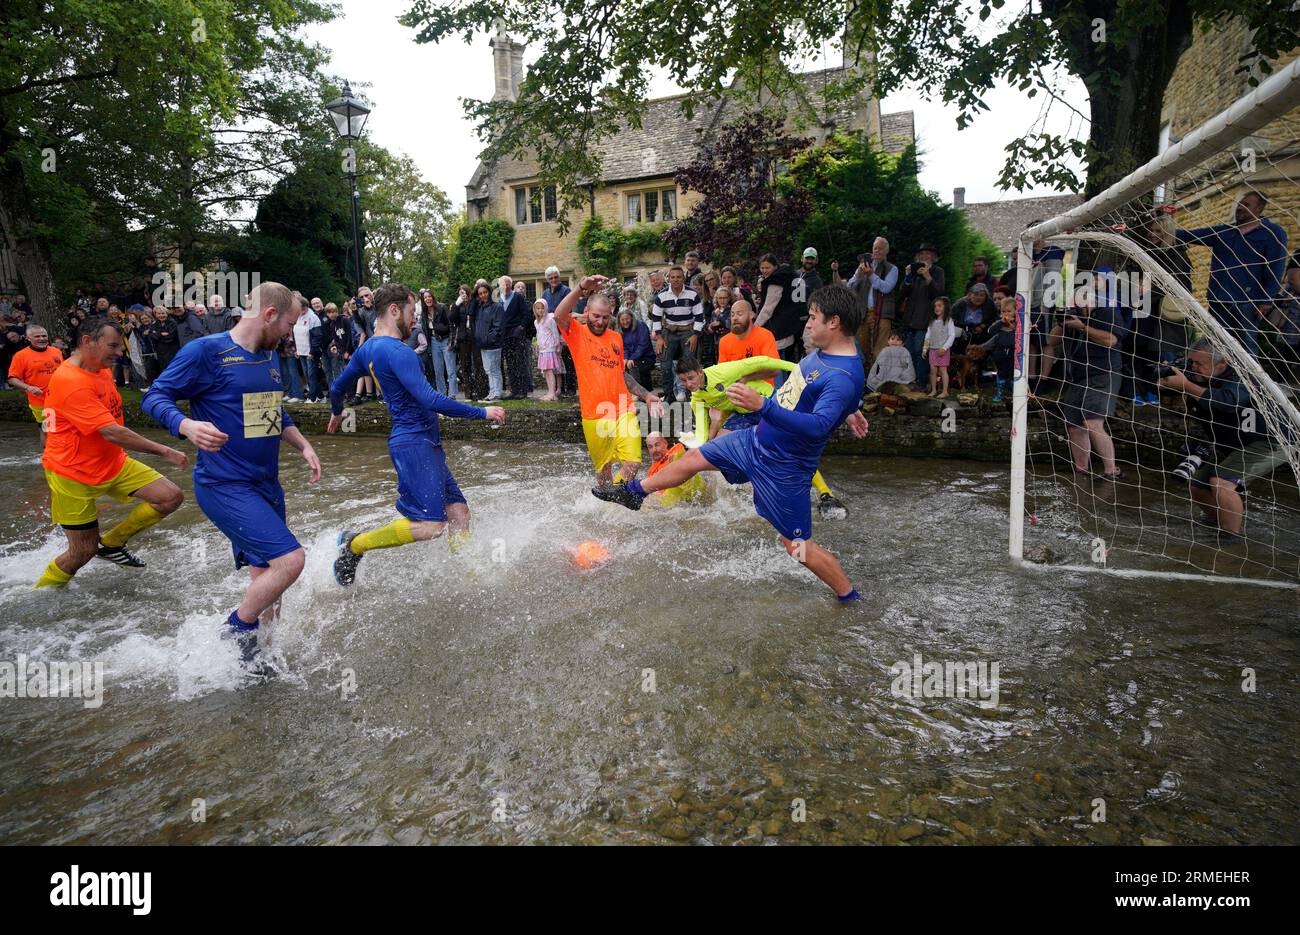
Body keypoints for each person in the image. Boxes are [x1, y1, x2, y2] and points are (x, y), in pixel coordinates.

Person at [594, 285, 868, 600]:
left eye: (814, 317)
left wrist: (763, 406)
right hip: (755, 440)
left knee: (797, 547)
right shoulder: (832, 353)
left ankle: (849, 597)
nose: (807, 323)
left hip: (784, 466)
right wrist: (848, 409)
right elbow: (818, 392)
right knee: (694, 458)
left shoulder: (843, 376)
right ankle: (633, 494)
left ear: (834, 322)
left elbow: (819, 426)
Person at [142, 282, 322, 668]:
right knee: (290, 561)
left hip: (266, 484)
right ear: (269, 314)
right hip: (224, 484)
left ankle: (263, 657)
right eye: (289, 324)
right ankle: (235, 631)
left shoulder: (268, 356)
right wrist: (185, 425)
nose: (291, 333)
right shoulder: (206, 351)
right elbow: (154, 396)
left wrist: (302, 444)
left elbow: (273, 412)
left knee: (269, 575)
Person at [326, 283, 506, 586]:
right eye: (412, 312)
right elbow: (431, 400)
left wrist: (335, 411)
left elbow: (336, 388)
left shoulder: (367, 348)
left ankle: (468, 575)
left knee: (459, 511)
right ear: (394, 310)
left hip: (423, 443)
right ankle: (355, 544)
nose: (416, 320)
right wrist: (482, 412)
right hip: (414, 443)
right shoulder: (401, 352)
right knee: (432, 526)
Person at [35, 317, 187, 589]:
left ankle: (113, 543)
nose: (120, 353)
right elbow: (113, 431)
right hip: (72, 475)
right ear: (87, 342)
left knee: (170, 497)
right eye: (113, 346)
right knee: (82, 552)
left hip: (111, 462)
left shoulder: (100, 368)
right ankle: (42, 595)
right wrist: (165, 450)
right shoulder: (71, 381)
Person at [675, 352, 849, 517]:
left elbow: (763, 361)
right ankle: (736, 502)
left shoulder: (723, 371)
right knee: (718, 449)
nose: (688, 384)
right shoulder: (697, 398)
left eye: (690, 378)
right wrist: (696, 439)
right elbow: (703, 436)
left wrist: (799, 371)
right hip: (743, 413)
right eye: (683, 381)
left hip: (768, 401)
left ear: (699, 372)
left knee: (790, 448)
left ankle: (825, 493)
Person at [1161, 339, 1290, 543]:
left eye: (1199, 364)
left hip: (1271, 441)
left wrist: (1186, 385)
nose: (1193, 367)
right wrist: (1165, 378)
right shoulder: (1196, 373)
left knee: (1221, 482)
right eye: (1191, 362)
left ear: (1223, 364)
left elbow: (1227, 402)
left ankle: (1231, 539)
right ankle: (1224, 521)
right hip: (1235, 441)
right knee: (1198, 484)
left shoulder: (1245, 377)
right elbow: (1170, 387)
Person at [556, 276, 663, 484]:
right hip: (594, 414)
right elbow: (559, 315)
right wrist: (580, 288)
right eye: (596, 316)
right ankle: (609, 504)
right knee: (604, 471)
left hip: (623, 408)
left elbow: (620, 374)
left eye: (605, 317)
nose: (600, 322)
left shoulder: (616, 338)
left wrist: (647, 395)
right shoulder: (577, 332)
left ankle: (616, 498)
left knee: (632, 463)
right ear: (586, 312)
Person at [1177, 190, 1288, 357]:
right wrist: (1162, 228)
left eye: (1246, 204)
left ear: (1259, 208)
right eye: (1239, 204)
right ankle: (1219, 381)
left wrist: (1267, 299)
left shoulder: (1272, 232)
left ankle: (1250, 382)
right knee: (1215, 346)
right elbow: (1188, 235)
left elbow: (1276, 267)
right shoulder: (1224, 232)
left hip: (1247, 303)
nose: (1240, 208)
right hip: (1218, 301)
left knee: (1246, 347)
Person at [1046, 282, 1127, 479]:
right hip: (1076, 376)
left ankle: (1111, 471)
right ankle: (1081, 470)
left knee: (1092, 422)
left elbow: (1111, 340)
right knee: (1073, 424)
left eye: (1081, 298)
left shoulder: (1107, 313)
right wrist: (1061, 322)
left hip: (1103, 373)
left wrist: (1082, 327)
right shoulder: (1074, 316)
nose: (1077, 303)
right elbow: (1051, 341)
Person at [651, 265, 704, 403]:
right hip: (669, 332)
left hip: (688, 331)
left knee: (688, 364)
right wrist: (659, 337)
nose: (676, 280)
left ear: (683, 278)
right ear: (669, 279)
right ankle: (669, 395)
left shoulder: (693, 294)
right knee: (665, 364)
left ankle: (690, 395)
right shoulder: (661, 296)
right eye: (673, 277)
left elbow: (699, 316)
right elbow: (656, 317)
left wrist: (695, 335)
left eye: (679, 277)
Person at [841, 238, 899, 363]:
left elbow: (886, 288)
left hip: (882, 314)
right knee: (861, 348)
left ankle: (876, 380)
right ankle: (864, 378)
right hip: (863, 313)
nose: (877, 251)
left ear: (886, 251)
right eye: (875, 248)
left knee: (879, 349)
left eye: (881, 248)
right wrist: (858, 275)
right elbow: (849, 287)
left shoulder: (892, 269)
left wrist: (871, 275)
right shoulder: (863, 267)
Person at [899, 243, 946, 388]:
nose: (924, 256)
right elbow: (902, 294)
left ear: (933, 256)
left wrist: (928, 277)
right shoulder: (914, 273)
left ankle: (922, 382)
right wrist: (907, 277)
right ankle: (912, 380)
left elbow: (938, 294)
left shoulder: (938, 271)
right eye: (922, 254)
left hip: (925, 320)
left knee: (921, 351)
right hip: (910, 319)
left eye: (928, 253)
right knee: (910, 351)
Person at [8, 323, 63, 439]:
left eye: (44, 336)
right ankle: (47, 456)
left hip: (62, 399)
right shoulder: (20, 356)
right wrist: (28, 387)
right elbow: (12, 379)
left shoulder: (56, 351)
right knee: (49, 430)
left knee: (65, 429)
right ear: (28, 338)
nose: (42, 339)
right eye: (37, 337)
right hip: (41, 401)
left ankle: (63, 455)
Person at [754, 253, 801, 362]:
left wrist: (755, 326)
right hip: (787, 327)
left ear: (775, 266)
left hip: (777, 331)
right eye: (762, 267)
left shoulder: (776, 281)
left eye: (767, 267)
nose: (764, 270)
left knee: (777, 367)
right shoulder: (785, 277)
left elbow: (768, 309)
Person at [644, 431, 708, 507]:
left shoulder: (675, 451)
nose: (654, 449)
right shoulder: (651, 471)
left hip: (691, 487)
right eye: (650, 447)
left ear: (665, 443)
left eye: (657, 445)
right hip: (671, 501)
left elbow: (679, 455)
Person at [499, 275, 533, 399]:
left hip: (518, 334)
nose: (506, 286)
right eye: (503, 284)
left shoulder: (518, 297)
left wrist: (521, 327)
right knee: (510, 363)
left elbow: (527, 315)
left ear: (511, 285)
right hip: (505, 336)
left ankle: (523, 391)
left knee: (521, 362)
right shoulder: (499, 300)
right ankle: (514, 390)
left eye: (508, 284)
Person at [472, 281, 505, 401]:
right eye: (480, 293)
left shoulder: (497, 306)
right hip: (483, 344)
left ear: (489, 292)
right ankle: (492, 392)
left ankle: (497, 393)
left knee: (494, 369)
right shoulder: (480, 307)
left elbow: (498, 327)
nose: (483, 295)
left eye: (485, 292)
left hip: (493, 344)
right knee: (488, 370)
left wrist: (490, 339)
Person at [617, 305, 655, 395]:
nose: (625, 322)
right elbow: (625, 347)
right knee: (622, 365)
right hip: (632, 357)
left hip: (646, 356)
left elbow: (643, 345)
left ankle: (645, 392)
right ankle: (631, 392)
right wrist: (625, 358)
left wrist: (632, 358)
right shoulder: (621, 331)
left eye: (627, 319)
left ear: (631, 318)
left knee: (636, 365)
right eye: (622, 320)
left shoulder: (641, 325)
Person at [924, 297, 956, 399]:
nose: (936, 308)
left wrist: (945, 348)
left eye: (939, 306)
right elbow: (927, 335)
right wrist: (925, 348)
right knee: (932, 370)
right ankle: (934, 390)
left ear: (945, 307)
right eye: (935, 306)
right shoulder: (932, 321)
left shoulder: (948, 321)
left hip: (943, 350)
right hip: (933, 349)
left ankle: (945, 391)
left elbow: (952, 335)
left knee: (943, 370)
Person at [534, 299, 564, 401]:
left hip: (550, 349)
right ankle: (550, 392)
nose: (540, 310)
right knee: (546, 371)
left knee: (550, 371)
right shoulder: (536, 322)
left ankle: (553, 393)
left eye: (542, 308)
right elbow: (538, 335)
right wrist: (538, 346)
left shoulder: (550, 320)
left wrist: (557, 345)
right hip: (543, 350)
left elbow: (555, 332)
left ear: (546, 308)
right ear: (535, 310)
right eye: (538, 308)